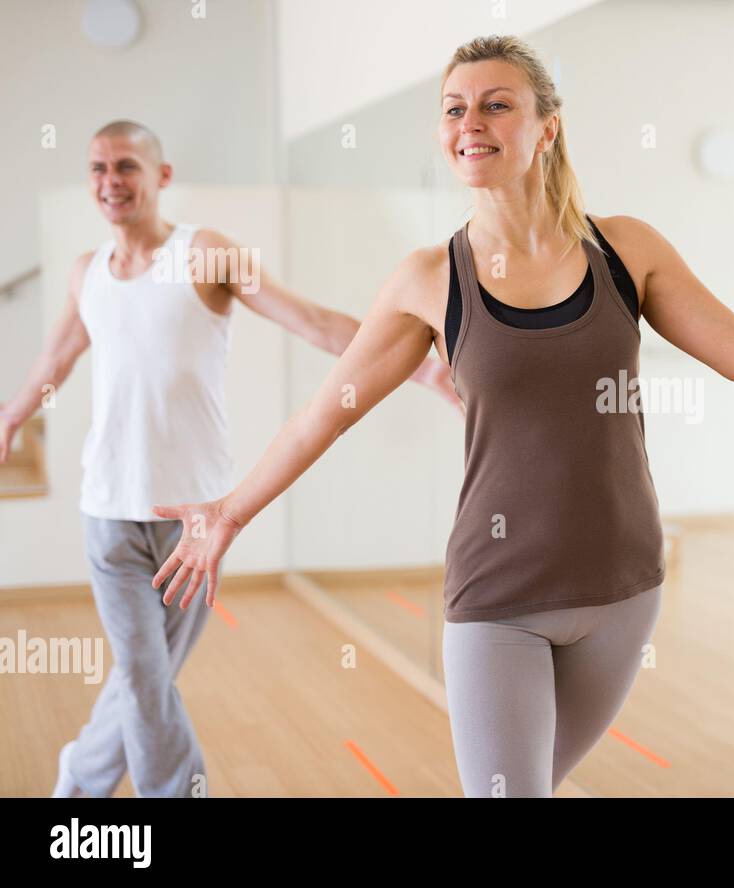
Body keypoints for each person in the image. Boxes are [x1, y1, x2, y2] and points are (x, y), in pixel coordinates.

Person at [148, 35, 734, 799]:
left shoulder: (629, 252)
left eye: (495, 104)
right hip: (498, 599)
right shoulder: (426, 280)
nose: (468, 123)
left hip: (625, 592)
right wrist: (228, 511)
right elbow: (319, 418)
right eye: (453, 109)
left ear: (546, 127)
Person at [0, 120, 455, 799]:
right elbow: (57, 358)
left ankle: (78, 776)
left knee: (144, 677)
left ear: (162, 176)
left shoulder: (206, 253)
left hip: (197, 520)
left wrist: (418, 367)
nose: (110, 181)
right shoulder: (85, 272)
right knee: (143, 675)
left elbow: (310, 320)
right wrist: (10, 417)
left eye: (126, 166)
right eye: (98, 168)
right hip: (108, 511)